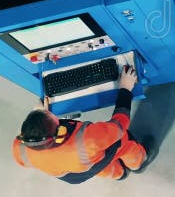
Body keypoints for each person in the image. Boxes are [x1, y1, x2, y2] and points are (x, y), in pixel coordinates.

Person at [12, 65, 151, 183]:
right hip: (92, 160)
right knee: (124, 140)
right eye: (50, 115)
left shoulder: (20, 150)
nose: (48, 112)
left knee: (97, 167)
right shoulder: (88, 140)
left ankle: (118, 174)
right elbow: (120, 125)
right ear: (60, 133)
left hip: (73, 173)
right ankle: (138, 162)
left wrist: (40, 114)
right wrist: (125, 88)